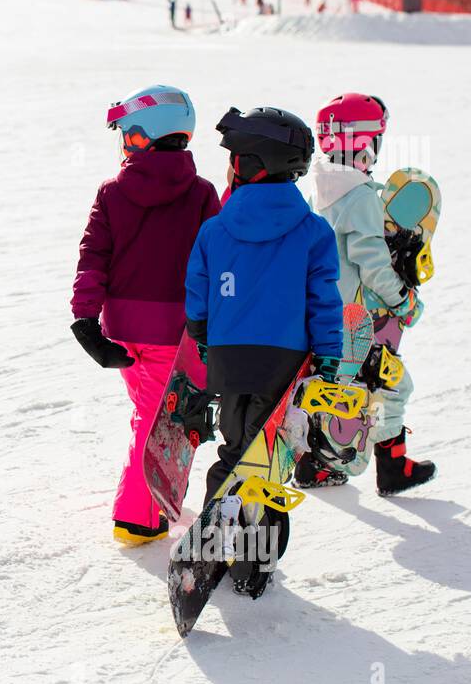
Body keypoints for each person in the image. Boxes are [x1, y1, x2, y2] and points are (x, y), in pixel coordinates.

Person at [184, 106, 342, 594]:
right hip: (285, 360)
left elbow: (199, 289)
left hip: (231, 359)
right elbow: (325, 298)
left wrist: (202, 332)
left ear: (253, 164)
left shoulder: (215, 228)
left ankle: (214, 529)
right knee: (267, 460)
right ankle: (253, 567)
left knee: (234, 449)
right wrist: (329, 356)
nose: (229, 168)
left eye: (235, 159)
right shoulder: (314, 231)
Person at [70, 85, 220, 545]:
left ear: (149, 136)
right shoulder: (201, 194)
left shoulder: (112, 192)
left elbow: (93, 256)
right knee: (155, 421)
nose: (125, 147)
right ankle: (138, 516)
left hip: (121, 331)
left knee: (151, 414)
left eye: (130, 137)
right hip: (175, 332)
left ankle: (157, 494)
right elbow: (215, 263)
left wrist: (85, 318)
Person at [303, 93, 435, 495]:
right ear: (362, 145)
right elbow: (371, 261)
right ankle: (392, 469)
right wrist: (400, 299)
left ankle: (317, 462)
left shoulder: (320, 191)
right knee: (393, 385)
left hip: (327, 315)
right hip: (362, 319)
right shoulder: (360, 197)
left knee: (336, 389)